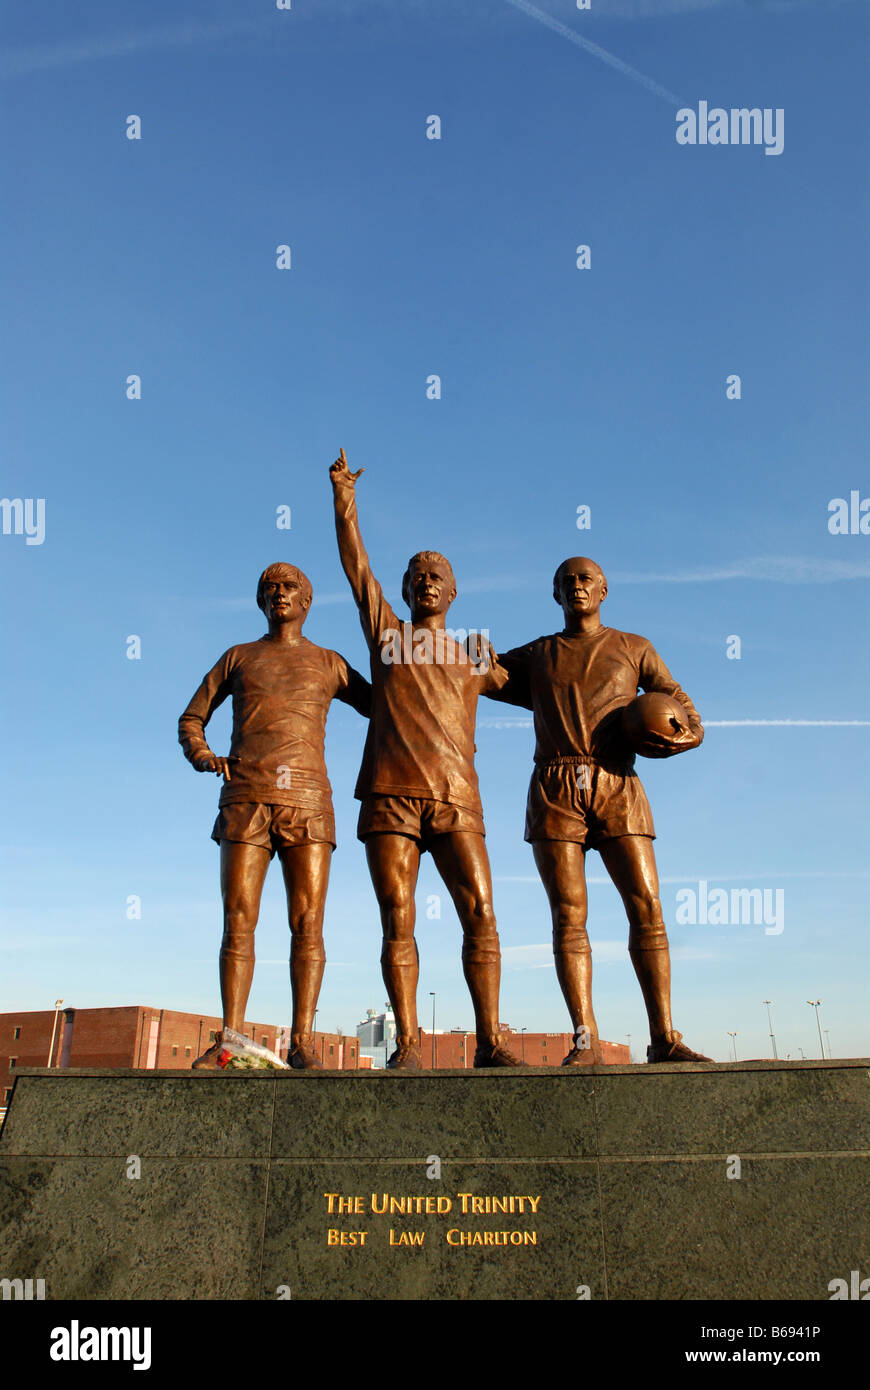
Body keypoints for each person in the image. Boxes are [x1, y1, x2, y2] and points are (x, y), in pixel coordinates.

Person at [330, 449, 518, 1069]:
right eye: (417, 574)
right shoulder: (387, 634)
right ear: (406, 589)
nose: (427, 580)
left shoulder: (474, 652)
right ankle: (408, 1044)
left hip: (456, 794)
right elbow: (358, 569)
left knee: (481, 911)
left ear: (455, 591)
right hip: (390, 795)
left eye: (438, 573)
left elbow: (543, 682)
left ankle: (489, 1041)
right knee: (398, 915)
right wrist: (345, 501)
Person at [493, 556, 711, 1065]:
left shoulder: (635, 648)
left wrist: (686, 736)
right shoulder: (540, 653)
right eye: (566, 581)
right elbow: (481, 677)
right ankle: (585, 1038)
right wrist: (470, 654)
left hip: (616, 780)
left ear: (604, 590)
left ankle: (663, 1037)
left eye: (585, 578)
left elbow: (684, 706)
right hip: (555, 784)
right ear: (555, 595)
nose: (576, 586)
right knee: (568, 915)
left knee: (647, 908)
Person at [178, 561, 370, 1069]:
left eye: (289, 587)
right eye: (270, 588)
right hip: (245, 800)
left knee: (308, 922)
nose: (279, 593)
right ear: (260, 601)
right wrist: (203, 754)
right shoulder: (238, 657)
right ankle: (231, 1037)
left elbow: (389, 706)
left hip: (308, 803)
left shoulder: (330, 663)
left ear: (306, 601)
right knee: (238, 918)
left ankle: (303, 1039)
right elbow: (192, 717)